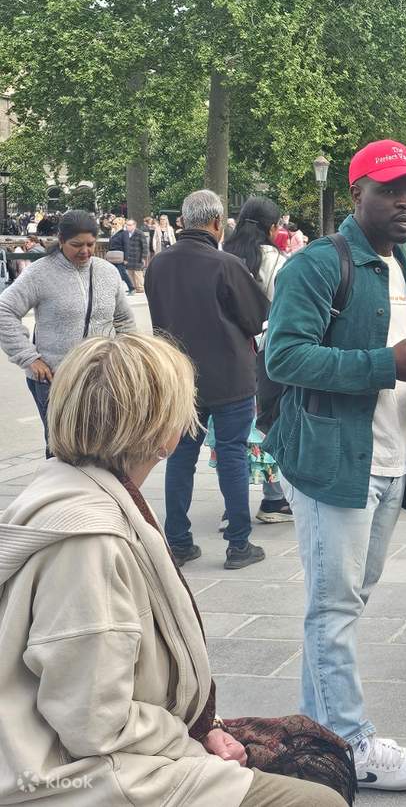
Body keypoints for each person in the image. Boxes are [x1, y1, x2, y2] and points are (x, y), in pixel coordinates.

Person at [0, 333, 350, 807]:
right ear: (164, 430)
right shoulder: (90, 544)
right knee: (316, 799)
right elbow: (93, 723)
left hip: (93, 751)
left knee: (313, 755)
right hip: (69, 775)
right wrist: (187, 744)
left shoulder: (74, 489)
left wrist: (205, 729)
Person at [264, 139, 406, 792]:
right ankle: (350, 745)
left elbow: (399, 351)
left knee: (341, 605)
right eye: (390, 189)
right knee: (333, 609)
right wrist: (387, 366)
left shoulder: (402, 266)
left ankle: (310, 737)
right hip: (331, 463)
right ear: (356, 195)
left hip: (386, 461)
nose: (405, 201)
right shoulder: (319, 265)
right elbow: (284, 358)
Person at [145, 189, 270, 570]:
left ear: (183, 221)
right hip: (230, 375)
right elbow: (255, 318)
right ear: (217, 223)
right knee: (232, 454)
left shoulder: (158, 265)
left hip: (179, 376)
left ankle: (178, 541)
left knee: (180, 457)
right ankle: (238, 544)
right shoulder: (225, 264)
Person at [0, 210, 135, 454]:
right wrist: (29, 357)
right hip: (54, 379)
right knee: (62, 450)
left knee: (103, 449)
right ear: (61, 240)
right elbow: (4, 310)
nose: (85, 251)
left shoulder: (107, 272)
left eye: (90, 244)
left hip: (102, 379)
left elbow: (124, 320)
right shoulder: (39, 273)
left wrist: (127, 357)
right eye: (76, 245)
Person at [219, 196, 291, 524]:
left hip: (226, 354)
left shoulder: (223, 256)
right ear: (272, 228)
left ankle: (231, 502)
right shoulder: (278, 261)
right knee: (267, 423)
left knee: (227, 433)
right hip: (265, 353)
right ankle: (273, 498)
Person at [107, 216, 134, 291]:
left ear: (120, 224)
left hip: (120, 256)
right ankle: (114, 289)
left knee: (122, 273)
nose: (113, 225)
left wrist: (126, 258)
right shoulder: (113, 232)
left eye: (115, 223)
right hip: (112, 255)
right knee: (112, 273)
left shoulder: (124, 233)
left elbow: (127, 245)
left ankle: (131, 288)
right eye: (113, 223)